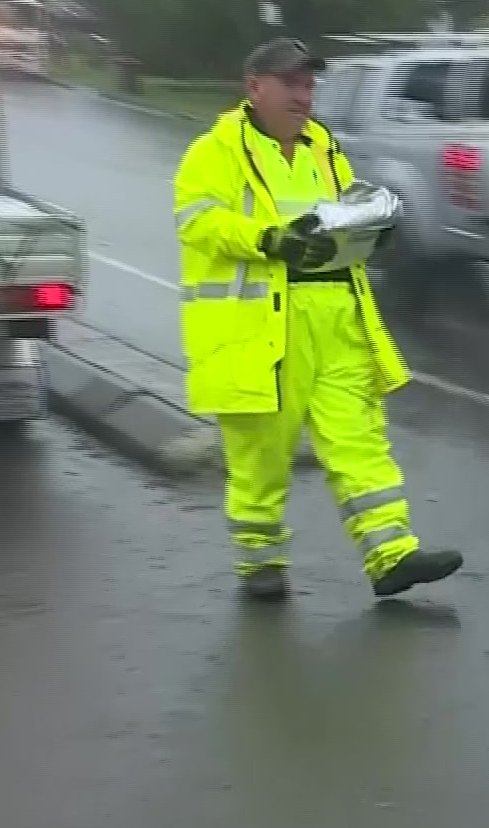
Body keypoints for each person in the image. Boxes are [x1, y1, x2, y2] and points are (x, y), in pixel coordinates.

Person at [173, 36, 463, 601]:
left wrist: (373, 225)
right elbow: (199, 222)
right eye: (291, 84)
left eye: (308, 85)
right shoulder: (214, 151)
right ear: (256, 87)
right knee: (261, 454)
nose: (304, 96)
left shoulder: (322, 146)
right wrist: (268, 239)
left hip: (337, 316)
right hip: (259, 330)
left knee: (359, 442)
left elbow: (343, 209)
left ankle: (392, 555)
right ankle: (261, 562)